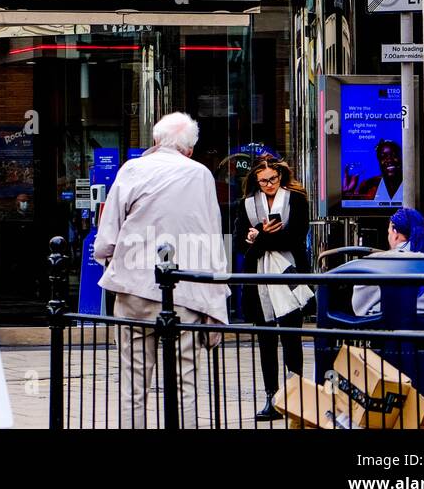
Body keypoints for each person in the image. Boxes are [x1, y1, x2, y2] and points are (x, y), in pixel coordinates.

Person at [92, 113, 229, 428]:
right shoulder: (201, 176)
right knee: (187, 381)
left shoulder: (133, 169)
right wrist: (216, 296)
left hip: (135, 290)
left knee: (134, 383)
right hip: (187, 292)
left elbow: (106, 238)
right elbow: (212, 238)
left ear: (155, 142)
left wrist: (111, 260)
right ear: (190, 149)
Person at [233, 156, 312, 421]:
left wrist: (260, 235)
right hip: (259, 279)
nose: (268, 185)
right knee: (266, 339)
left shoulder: (296, 200)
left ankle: (297, 396)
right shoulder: (246, 205)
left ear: (280, 176)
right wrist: (263, 237)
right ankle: (272, 397)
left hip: (290, 274)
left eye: (273, 180)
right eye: (263, 181)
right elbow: (240, 246)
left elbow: (295, 237)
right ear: (255, 180)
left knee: (291, 337)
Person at [352, 207, 424, 317]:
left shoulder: (375, 262)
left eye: (389, 232)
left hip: (387, 327)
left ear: (395, 233)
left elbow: (359, 307)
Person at [344, 139, 404, 205]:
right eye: (383, 156)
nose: (389, 160)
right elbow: (353, 211)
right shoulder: (368, 186)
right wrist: (347, 194)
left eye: (394, 155)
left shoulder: (413, 184)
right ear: (379, 161)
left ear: (402, 157)